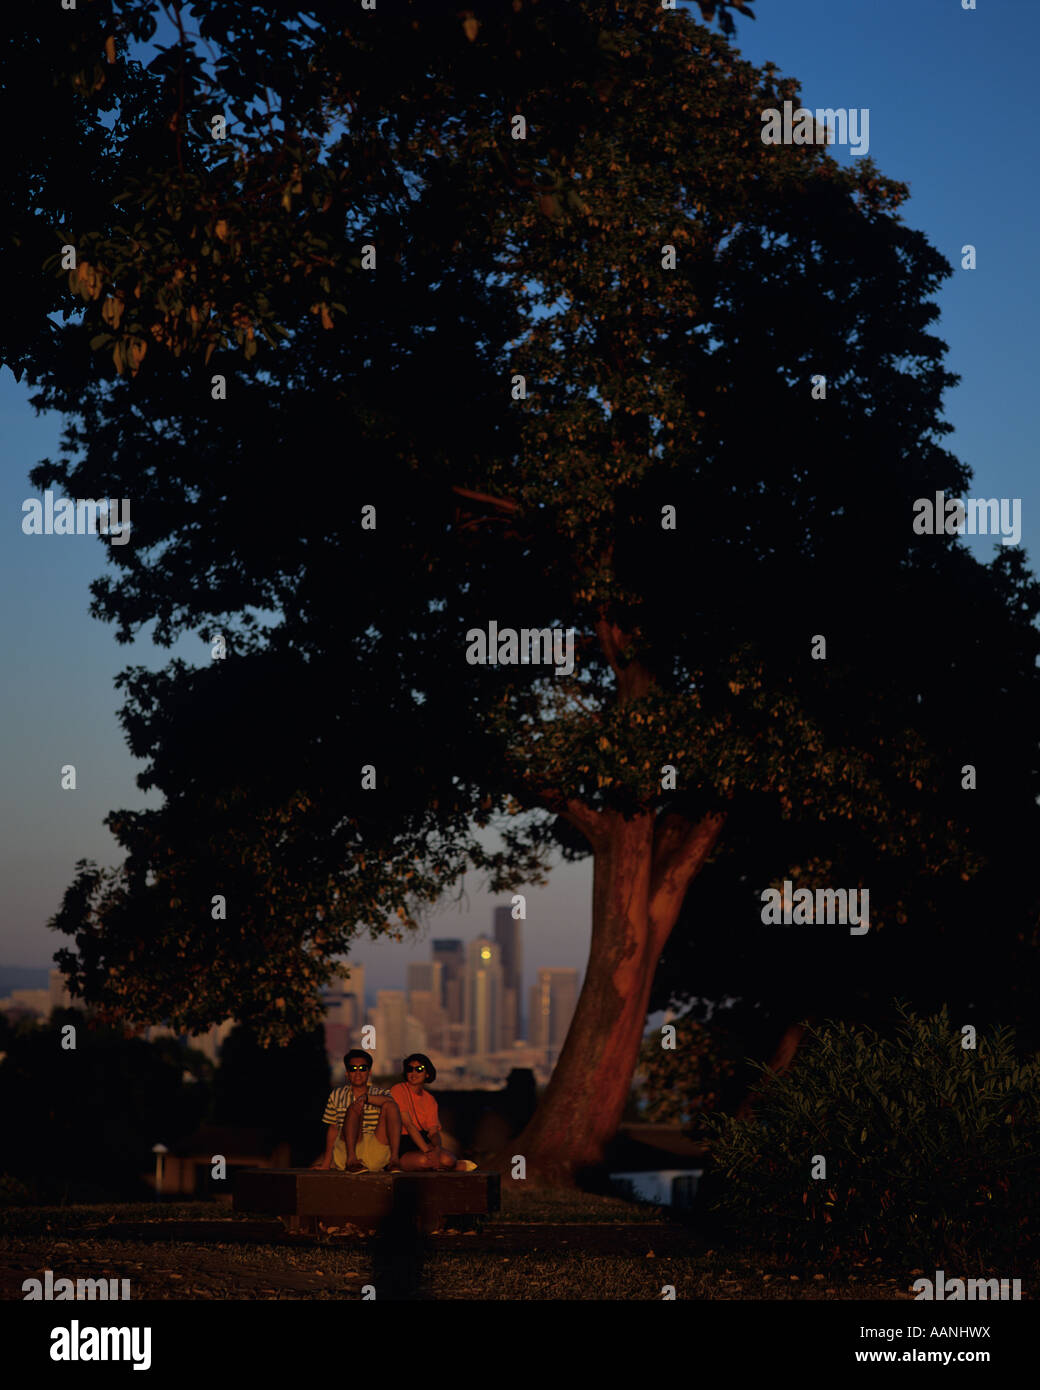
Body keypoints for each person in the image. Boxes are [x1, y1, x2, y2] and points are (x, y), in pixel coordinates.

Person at [312, 1049, 403, 1173]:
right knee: (354, 1108)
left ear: (369, 1072)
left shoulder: (381, 1093)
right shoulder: (337, 1094)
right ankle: (351, 1161)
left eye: (363, 1068)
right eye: (353, 1069)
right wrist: (326, 1164)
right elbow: (333, 1129)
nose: (358, 1073)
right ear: (347, 1073)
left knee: (391, 1106)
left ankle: (394, 1160)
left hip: (376, 1151)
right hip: (347, 1151)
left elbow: (393, 1107)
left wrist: (366, 1098)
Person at [390, 1053, 469, 1171]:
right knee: (425, 1161)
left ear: (427, 1074)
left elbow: (433, 1132)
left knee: (449, 1159)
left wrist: (436, 1149)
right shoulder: (398, 1090)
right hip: (403, 1142)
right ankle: (450, 1167)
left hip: (424, 1141)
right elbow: (409, 1125)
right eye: (410, 1069)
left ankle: (448, 1165)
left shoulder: (429, 1099)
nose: (413, 1073)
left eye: (419, 1069)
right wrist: (427, 1151)